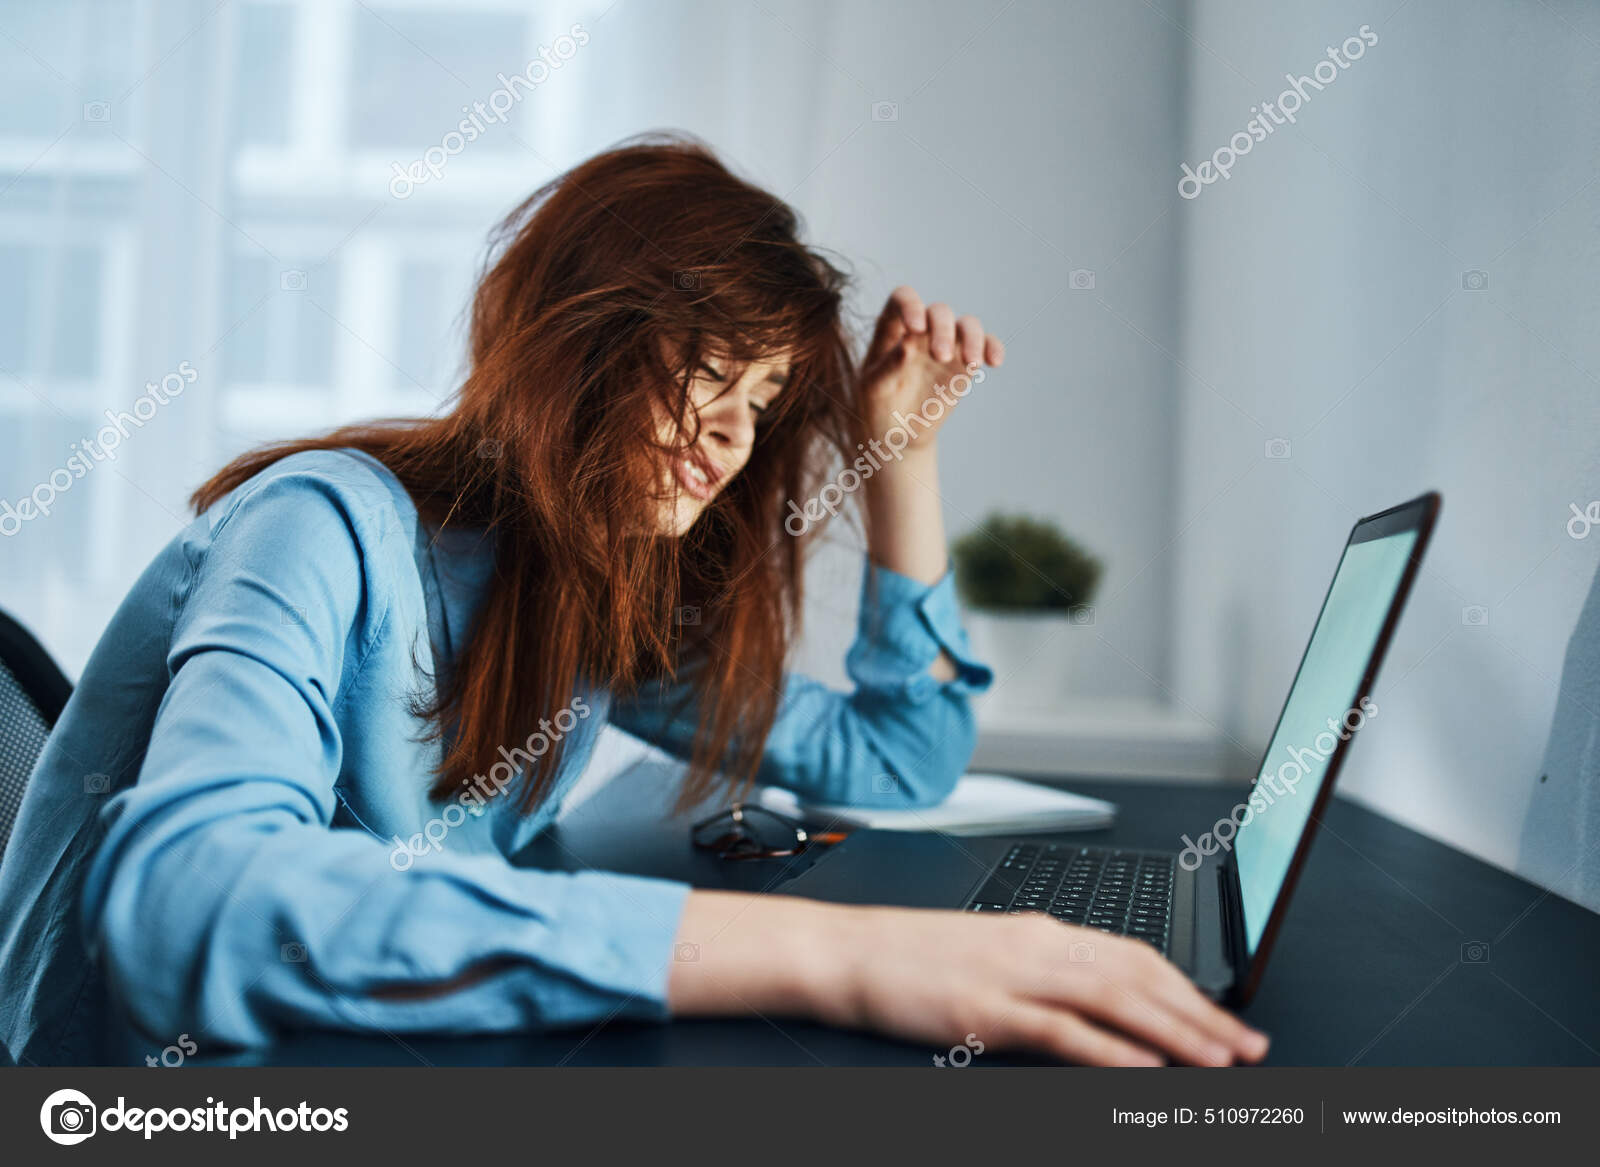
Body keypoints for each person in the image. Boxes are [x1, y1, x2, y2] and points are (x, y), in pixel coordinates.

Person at [0, 135, 1267, 1068]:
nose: (731, 436)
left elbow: (902, 758)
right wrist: (846, 957)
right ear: (577, 333)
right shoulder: (318, 522)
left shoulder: (591, 599)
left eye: (763, 401)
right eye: (711, 368)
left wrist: (903, 461)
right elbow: (191, 901)